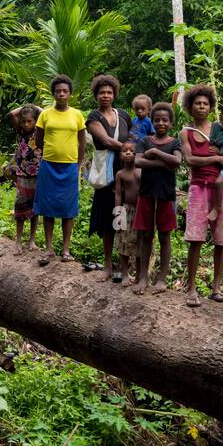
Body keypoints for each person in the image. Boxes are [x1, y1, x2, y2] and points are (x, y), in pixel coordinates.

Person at [180, 84, 223, 306]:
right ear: (190, 107)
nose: (202, 107)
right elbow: (190, 160)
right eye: (198, 103)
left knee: (221, 239)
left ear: (211, 106)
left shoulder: (220, 128)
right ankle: (192, 289)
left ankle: (216, 288)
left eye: (205, 104)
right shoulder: (186, 132)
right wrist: (216, 159)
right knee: (195, 237)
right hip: (198, 188)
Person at [33, 75, 86, 263]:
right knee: (47, 207)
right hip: (48, 166)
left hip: (70, 167)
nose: (61, 94)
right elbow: (38, 140)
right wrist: (47, 153)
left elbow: (82, 141)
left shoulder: (77, 115)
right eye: (58, 91)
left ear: (70, 94)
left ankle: (65, 250)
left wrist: (78, 164)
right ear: (53, 94)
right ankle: (48, 248)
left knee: (68, 208)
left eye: (64, 91)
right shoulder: (45, 114)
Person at [133, 102, 182, 295]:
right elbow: (136, 160)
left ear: (170, 123)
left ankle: (161, 279)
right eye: (157, 120)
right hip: (146, 192)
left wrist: (154, 154)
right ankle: (143, 276)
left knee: (164, 236)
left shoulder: (175, 142)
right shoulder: (145, 141)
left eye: (165, 120)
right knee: (145, 235)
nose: (161, 123)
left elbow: (177, 161)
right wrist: (164, 162)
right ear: (152, 122)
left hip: (166, 194)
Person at [85, 74, 131, 281]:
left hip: (125, 172)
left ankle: (123, 267)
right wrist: (131, 149)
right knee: (106, 220)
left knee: (122, 217)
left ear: (114, 94)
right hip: (106, 174)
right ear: (96, 95)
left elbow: (133, 135)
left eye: (109, 92)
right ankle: (107, 266)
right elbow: (105, 140)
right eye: (102, 92)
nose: (106, 95)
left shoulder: (123, 115)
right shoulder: (93, 117)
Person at [9, 104, 41, 250]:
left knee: (35, 208)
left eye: (30, 121)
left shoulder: (40, 131)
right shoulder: (21, 132)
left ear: (35, 121)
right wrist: (27, 106)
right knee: (21, 206)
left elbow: (45, 113)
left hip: (38, 174)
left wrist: (34, 107)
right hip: (22, 173)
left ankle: (32, 241)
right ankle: (18, 241)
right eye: (24, 121)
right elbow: (12, 114)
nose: (26, 124)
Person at [112, 139, 140, 285]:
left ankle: (140, 275)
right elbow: (118, 194)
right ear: (120, 155)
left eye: (131, 150)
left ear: (137, 153)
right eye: (124, 150)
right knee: (123, 243)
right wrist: (118, 211)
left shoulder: (141, 172)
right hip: (125, 210)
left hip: (140, 211)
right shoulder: (120, 174)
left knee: (140, 243)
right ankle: (124, 274)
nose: (128, 152)